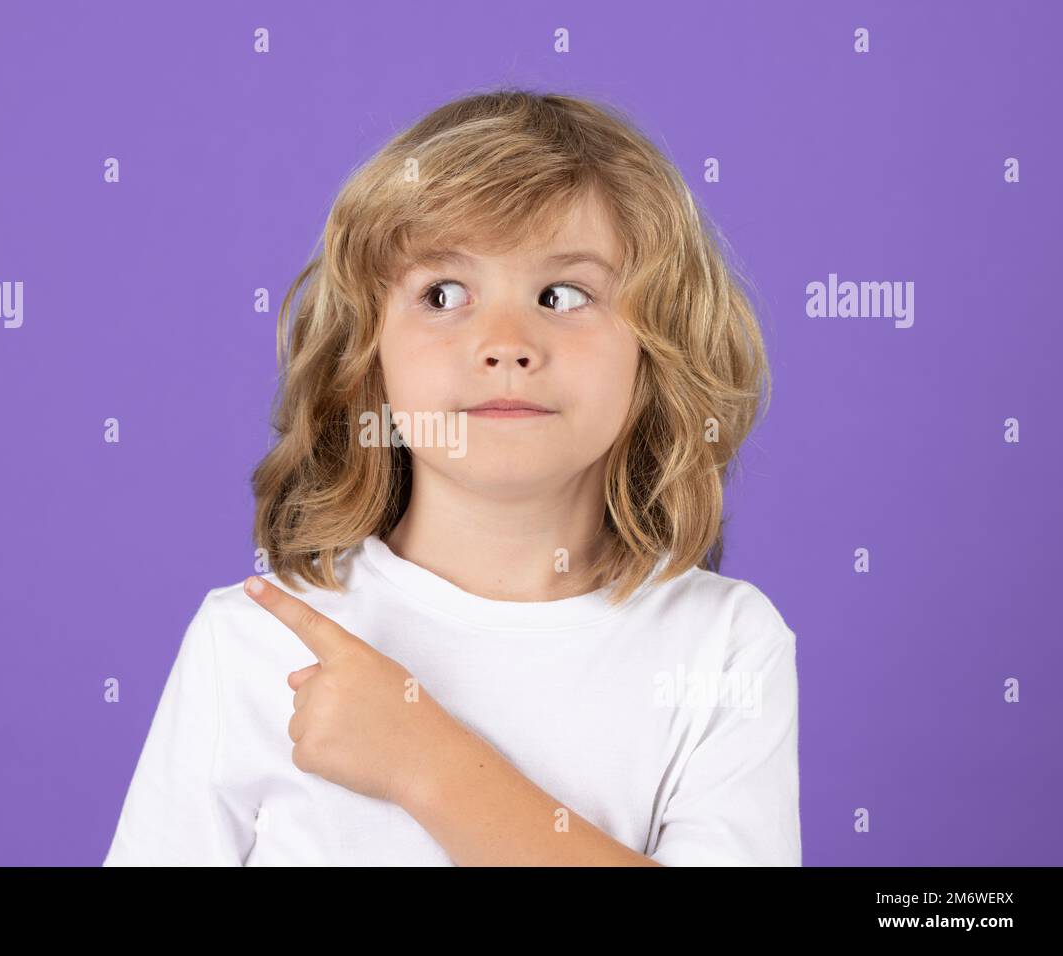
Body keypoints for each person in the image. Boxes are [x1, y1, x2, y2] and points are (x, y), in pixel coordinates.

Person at [103, 88, 800, 866]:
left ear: (657, 351)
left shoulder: (724, 646)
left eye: (563, 295)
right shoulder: (249, 643)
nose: (505, 343)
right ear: (366, 351)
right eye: (443, 295)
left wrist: (421, 762)